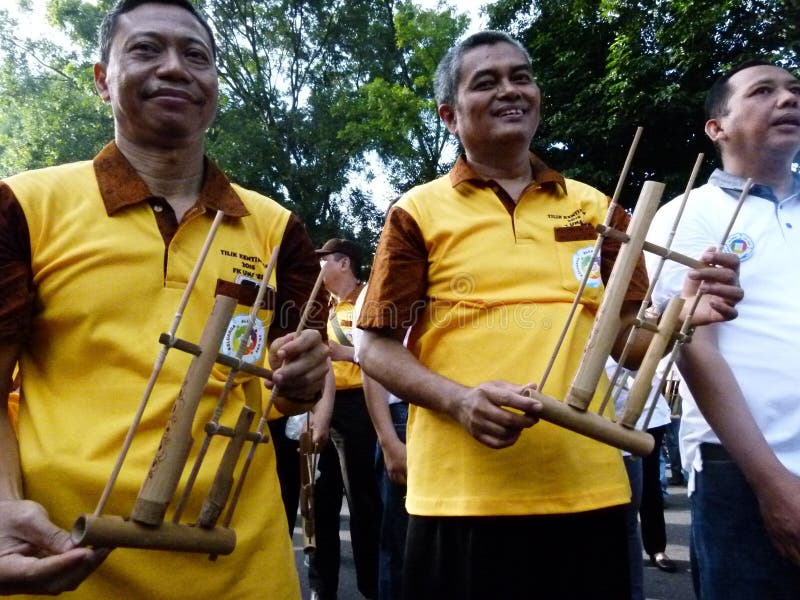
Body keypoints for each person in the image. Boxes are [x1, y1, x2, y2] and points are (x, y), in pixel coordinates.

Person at [357, 30, 742, 600]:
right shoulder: (416, 211)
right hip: (459, 497)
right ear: (449, 116)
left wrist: (684, 313)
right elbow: (373, 346)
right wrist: (459, 401)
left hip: (590, 489)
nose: (510, 90)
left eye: (522, 77)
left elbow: (627, 345)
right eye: (486, 82)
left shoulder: (598, 208)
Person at [0, 0, 329, 596]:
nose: (175, 67)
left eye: (195, 55)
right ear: (102, 80)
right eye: (146, 49)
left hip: (239, 561)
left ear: (215, 88)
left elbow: (291, 387)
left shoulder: (278, 228)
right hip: (63, 556)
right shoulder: (23, 206)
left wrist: (304, 377)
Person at [648, 60, 800, 599]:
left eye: (794, 89)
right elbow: (694, 348)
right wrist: (772, 484)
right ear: (718, 127)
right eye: (763, 91)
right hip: (742, 470)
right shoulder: (689, 214)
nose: (789, 98)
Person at [308, 239, 381, 600]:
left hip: (360, 407)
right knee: (319, 501)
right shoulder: (318, 306)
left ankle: (371, 586)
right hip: (322, 404)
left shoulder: (370, 299)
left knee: (363, 501)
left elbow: (386, 354)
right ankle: (323, 588)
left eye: (322, 260)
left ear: (343, 263)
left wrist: (345, 352)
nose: (317, 267)